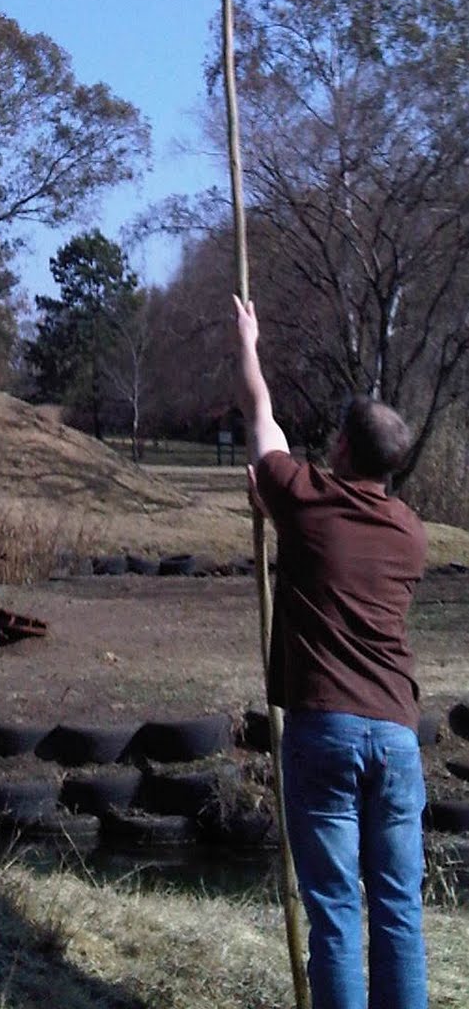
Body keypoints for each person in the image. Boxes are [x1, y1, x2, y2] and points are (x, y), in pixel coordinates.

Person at [233, 294, 428, 1009]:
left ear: (342, 449)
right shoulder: (410, 533)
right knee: (399, 912)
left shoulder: (306, 498)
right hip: (398, 736)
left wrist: (249, 341)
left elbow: (261, 418)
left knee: (337, 917)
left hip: (325, 730)